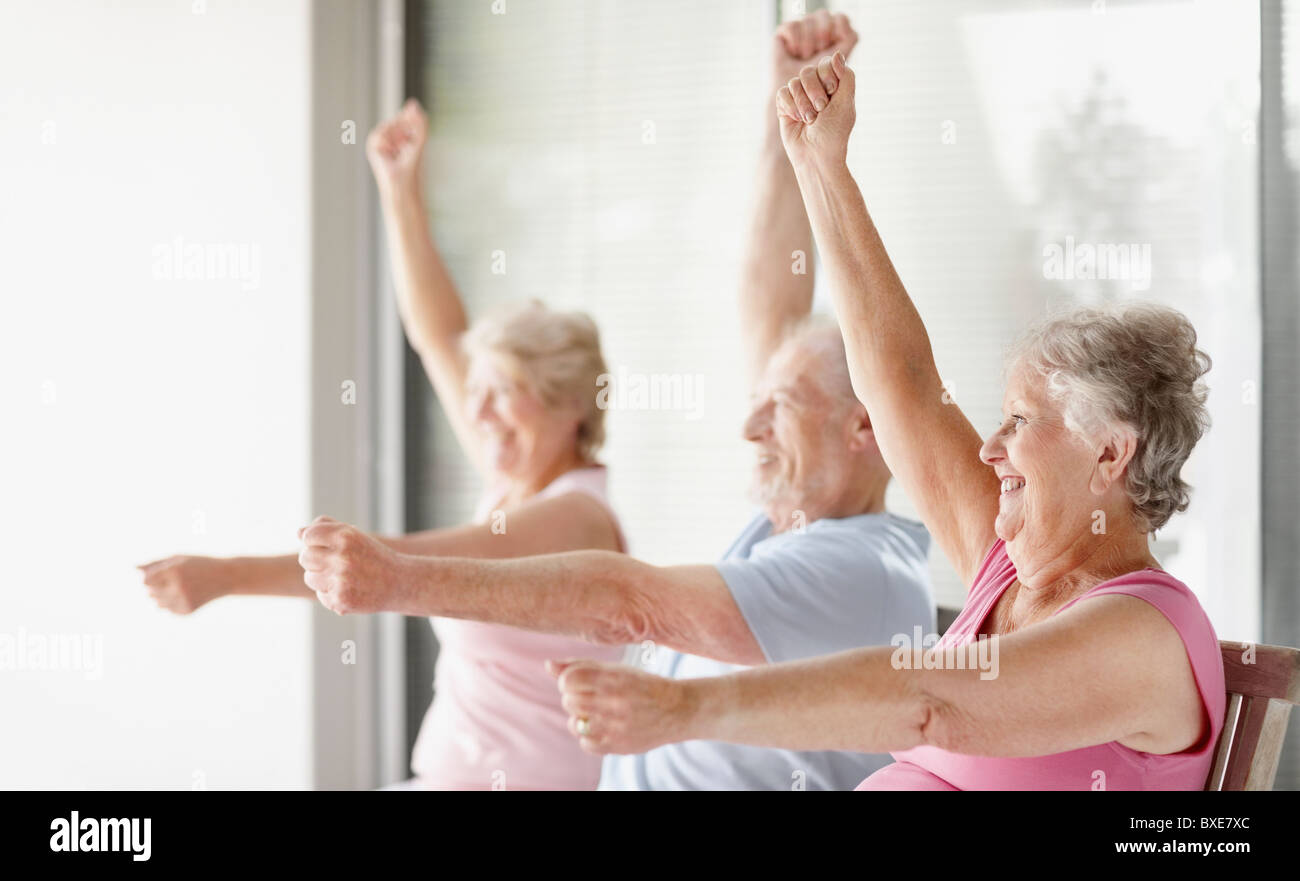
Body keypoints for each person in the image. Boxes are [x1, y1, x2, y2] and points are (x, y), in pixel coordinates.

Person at [542, 52, 1227, 791]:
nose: (991, 448)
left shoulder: (1140, 637)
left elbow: (931, 703)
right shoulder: (1010, 572)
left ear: (1109, 453)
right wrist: (820, 164)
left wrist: (686, 706)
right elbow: (903, 382)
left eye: (1022, 421)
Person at [295, 10, 935, 791]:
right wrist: (788, 125)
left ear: (863, 427)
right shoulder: (801, 519)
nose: (748, 423)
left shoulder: (853, 564)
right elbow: (769, 296)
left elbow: (627, 598)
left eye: (781, 405)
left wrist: (392, 578)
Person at [140, 100, 627, 791]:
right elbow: (437, 332)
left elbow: (400, 564)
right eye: (476, 388)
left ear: (570, 405)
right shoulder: (514, 471)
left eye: (504, 390)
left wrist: (227, 574)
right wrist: (399, 188)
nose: (477, 411)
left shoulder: (573, 517)